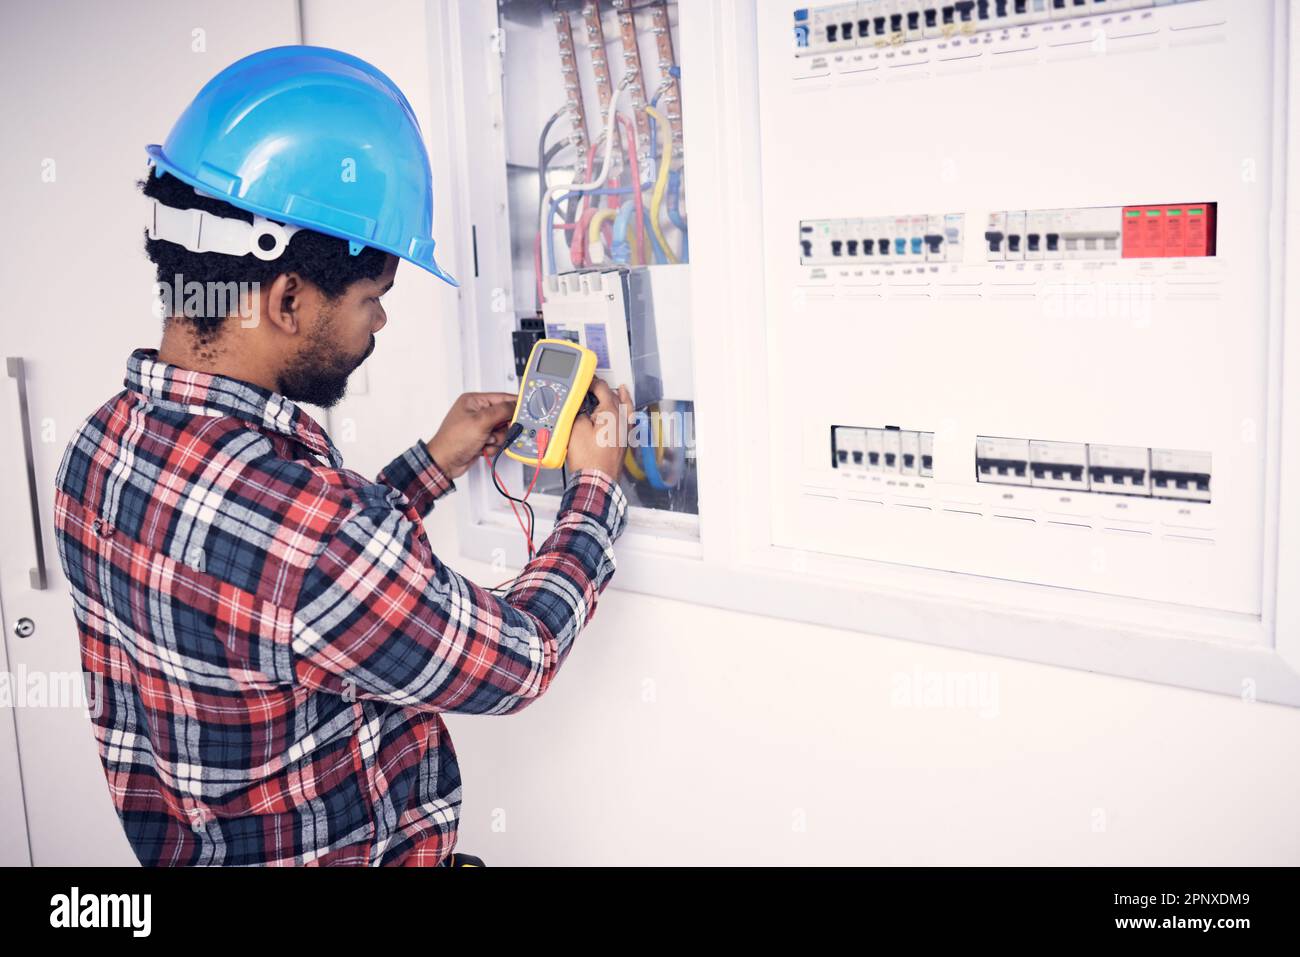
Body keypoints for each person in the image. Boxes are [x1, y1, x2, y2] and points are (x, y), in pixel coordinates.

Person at [51, 46, 631, 866]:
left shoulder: (99, 447)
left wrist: (429, 464)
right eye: (373, 300)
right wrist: (597, 487)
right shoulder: (312, 536)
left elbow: (270, 598)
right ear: (287, 299)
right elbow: (517, 657)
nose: (380, 326)